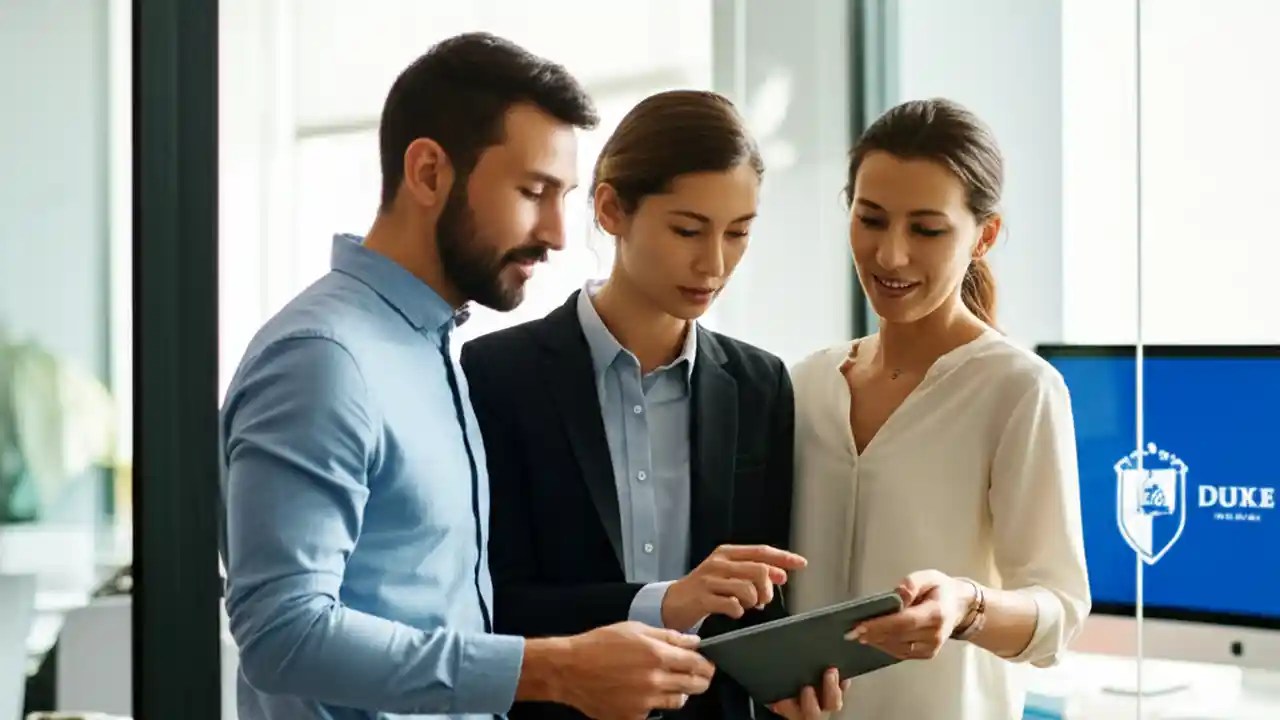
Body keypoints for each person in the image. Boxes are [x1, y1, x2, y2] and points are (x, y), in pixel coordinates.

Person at [218, 33, 717, 720]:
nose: (556, 233)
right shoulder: (323, 359)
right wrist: (556, 669)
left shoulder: (432, 348)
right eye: (532, 192)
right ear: (427, 173)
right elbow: (283, 634)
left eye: (562, 197)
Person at [461, 90, 845, 720]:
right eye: (688, 230)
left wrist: (790, 687)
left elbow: (763, 607)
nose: (714, 263)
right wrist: (665, 603)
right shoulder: (497, 376)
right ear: (611, 209)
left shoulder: (760, 385)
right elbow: (491, 603)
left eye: (739, 233)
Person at [787, 98, 1091, 720]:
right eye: (870, 219)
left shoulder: (1018, 389)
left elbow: (1059, 610)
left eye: (926, 229)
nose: (890, 256)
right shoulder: (807, 383)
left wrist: (966, 606)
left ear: (985, 236)